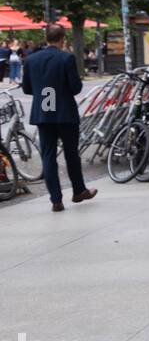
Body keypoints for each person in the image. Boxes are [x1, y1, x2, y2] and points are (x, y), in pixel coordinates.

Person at [21, 25, 95, 212]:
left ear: (46, 38)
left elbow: (27, 89)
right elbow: (76, 87)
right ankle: (78, 190)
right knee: (71, 154)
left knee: (48, 156)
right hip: (64, 114)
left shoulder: (31, 60)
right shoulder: (66, 58)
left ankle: (56, 199)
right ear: (63, 39)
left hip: (43, 114)